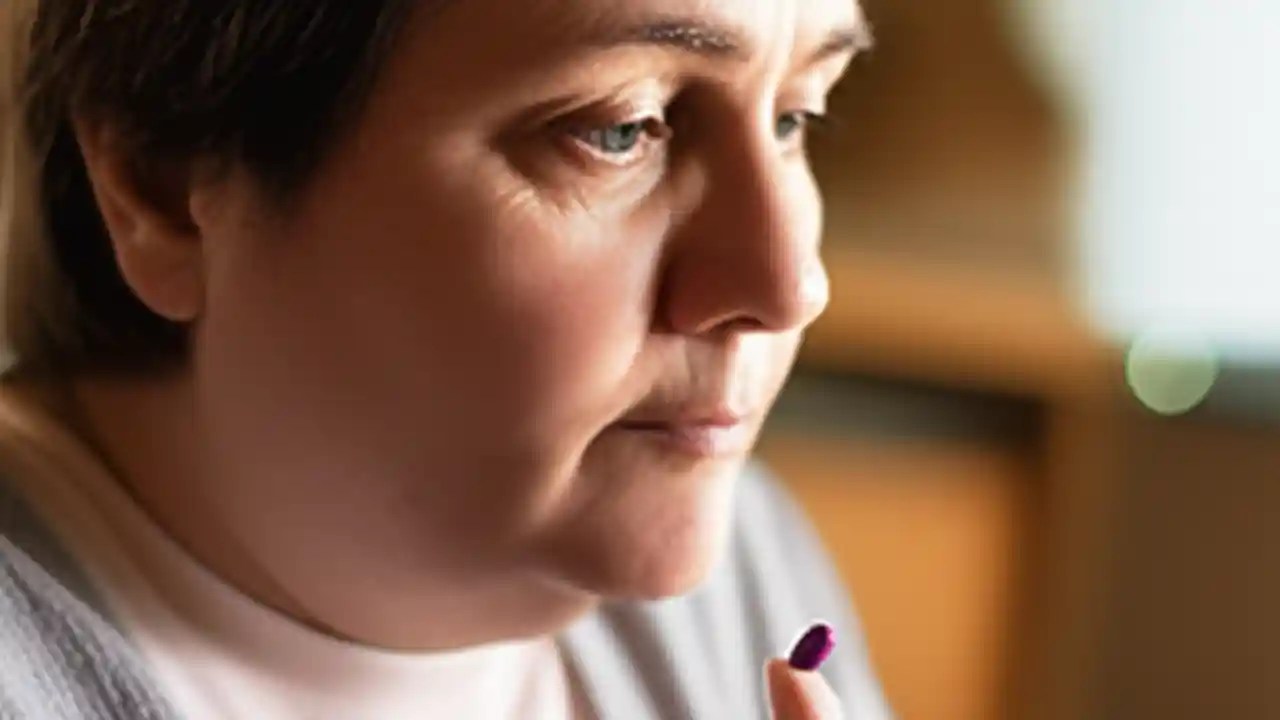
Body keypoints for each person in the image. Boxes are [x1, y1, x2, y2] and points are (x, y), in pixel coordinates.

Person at [0, 0, 892, 717]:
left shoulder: (743, 567)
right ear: (161, 185)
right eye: (621, 128)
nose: (789, 286)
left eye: (795, 116)